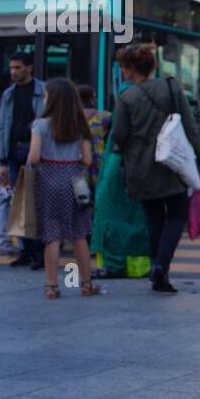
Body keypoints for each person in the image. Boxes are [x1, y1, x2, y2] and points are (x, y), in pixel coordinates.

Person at [110, 43, 200, 294]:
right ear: (152, 65)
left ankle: (157, 268)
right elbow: (189, 126)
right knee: (176, 216)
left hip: (141, 168)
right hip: (173, 164)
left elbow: (119, 136)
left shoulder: (126, 97)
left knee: (154, 219)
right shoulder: (171, 87)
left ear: (130, 70)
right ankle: (161, 267)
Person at [29, 78, 100, 300]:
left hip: (48, 180)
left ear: (52, 99)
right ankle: (86, 284)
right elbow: (88, 160)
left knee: (52, 236)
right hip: (75, 181)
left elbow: (33, 157)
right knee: (79, 235)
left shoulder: (40, 125)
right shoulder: (80, 126)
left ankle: (52, 286)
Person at [90, 78, 151, 281]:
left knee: (110, 212)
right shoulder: (153, 98)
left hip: (119, 165)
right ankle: (140, 266)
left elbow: (118, 137)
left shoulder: (125, 97)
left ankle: (113, 264)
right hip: (143, 164)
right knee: (138, 215)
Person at [0, 52, 46, 269]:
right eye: (12, 68)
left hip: (33, 152)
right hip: (14, 152)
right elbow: (1, 127)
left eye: (17, 67)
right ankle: (25, 250)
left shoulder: (43, 91)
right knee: (19, 204)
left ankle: (38, 253)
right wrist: (2, 161)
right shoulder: (9, 94)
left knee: (34, 203)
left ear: (29, 67)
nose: (13, 71)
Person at [78, 84, 110, 189]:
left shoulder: (71, 119)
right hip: (102, 166)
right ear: (92, 99)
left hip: (79, 169)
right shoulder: (106, 117)